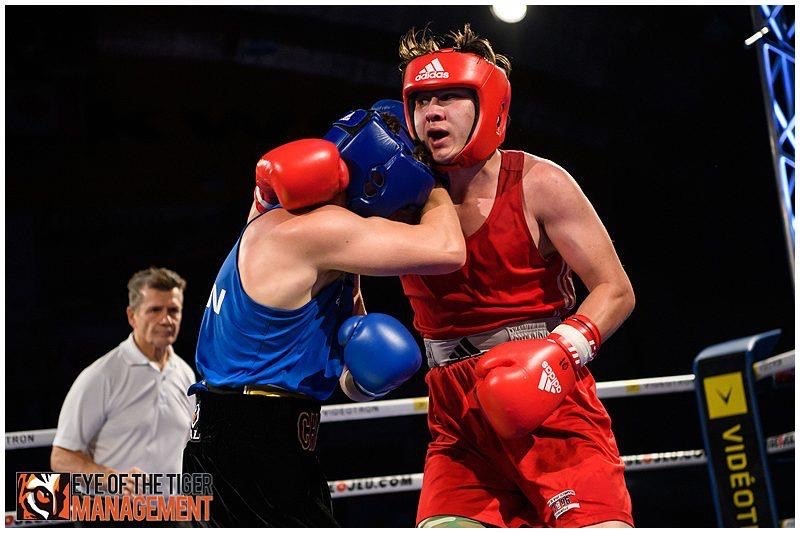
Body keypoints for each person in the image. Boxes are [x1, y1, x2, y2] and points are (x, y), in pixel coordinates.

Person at [397, 25, 636, 528]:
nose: (432, 112)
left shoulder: (539, 184)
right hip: (459, 427)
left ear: (490, 106)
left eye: (450, 97)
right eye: (421, 101)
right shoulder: (399, 199)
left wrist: (558, 356)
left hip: (553, 406)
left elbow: (615, 289)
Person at [182, 103, 466, 527]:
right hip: (255, 443)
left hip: (252, 436)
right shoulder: (320, 230)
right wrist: (437, 182)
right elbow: (448, 250)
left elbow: (346, 379)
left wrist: (366, 380)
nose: (403, 214)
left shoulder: (279, 224)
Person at [51, 267, 195, 495]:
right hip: (114, 515)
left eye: (173, 310)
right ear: (132, 316)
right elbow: (61, 457)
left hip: (174, 514)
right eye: (155, 310)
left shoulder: (185, 374)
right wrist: (110, 478)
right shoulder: (102, 375)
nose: (166, 319)